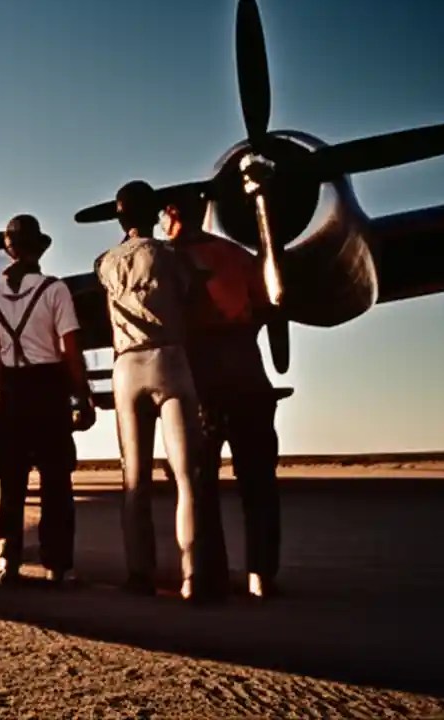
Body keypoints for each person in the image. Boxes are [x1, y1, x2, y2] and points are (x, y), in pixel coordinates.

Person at [94, 180, 227, 601]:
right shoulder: (172, 256)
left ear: (119, 218)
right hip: (169, 359)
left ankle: (140, 574)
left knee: (133, 480)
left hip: (125, 366)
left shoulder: (104, 262)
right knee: (187, 475)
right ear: (155, 213)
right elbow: (191, 293)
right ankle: (193, 573)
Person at [0, 214, 94, 587]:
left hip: (13, 392)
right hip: (49, 389)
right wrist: (81, 397)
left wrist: (4, 382)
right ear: (39, 249)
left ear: (8, 250)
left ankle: (9, 560)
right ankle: (56, 566)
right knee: (56, 480)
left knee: (10, 478)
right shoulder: (56, 290)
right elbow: (70, 349)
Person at [161, 189, 281, 598]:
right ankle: (260, 576)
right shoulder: (238, 255)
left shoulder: (162, 260)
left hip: (198, 378)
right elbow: (269, 305)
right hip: (248, 371)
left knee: (199, 482)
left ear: (173, 215)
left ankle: (208, 573)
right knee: (259, 480)